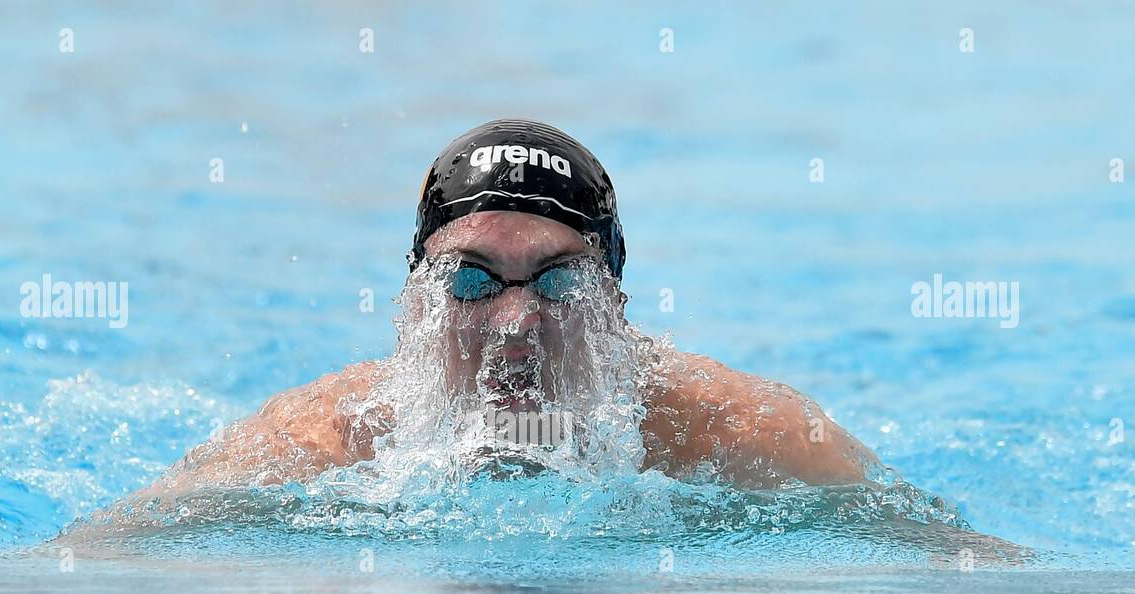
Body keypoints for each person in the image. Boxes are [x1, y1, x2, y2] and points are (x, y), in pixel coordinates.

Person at [121, 119, 880, 505]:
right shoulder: (329, 441)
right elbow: (121, 550)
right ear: (417, 309)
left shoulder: (736, 435)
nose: (516, 324)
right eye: (473, 284)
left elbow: (940, 556)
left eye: (559, 285)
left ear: (615, 309)